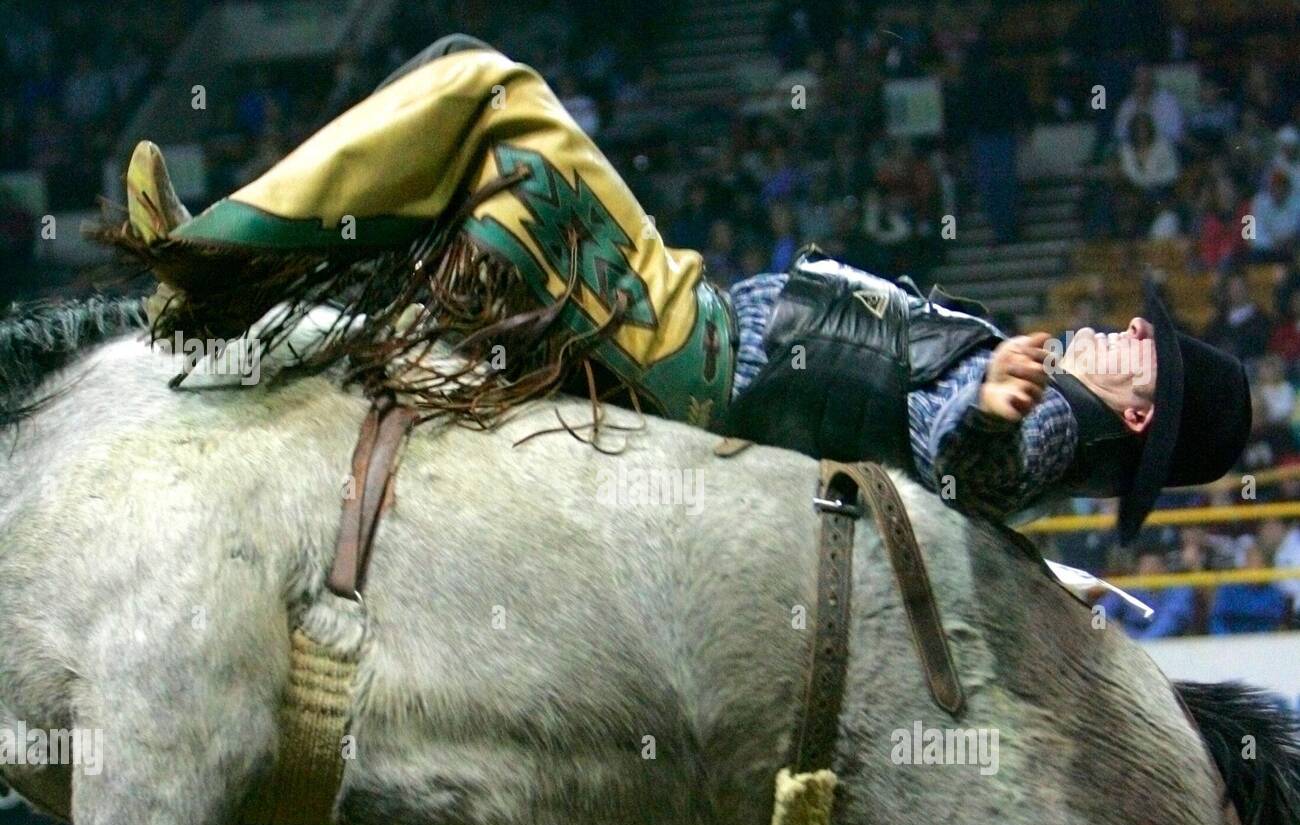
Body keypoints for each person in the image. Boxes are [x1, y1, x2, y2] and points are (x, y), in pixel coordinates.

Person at [100, 35, 1253, 543]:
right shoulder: (1050, 385)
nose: (1116, 329)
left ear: (1138, 410)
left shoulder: (1050, 414)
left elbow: (970, 460)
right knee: (480, 153)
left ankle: (213, 264)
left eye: (1137, 347)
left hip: (695, 352)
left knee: (491, 86)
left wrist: (987, 411)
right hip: (697, 341)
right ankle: (222, 278)